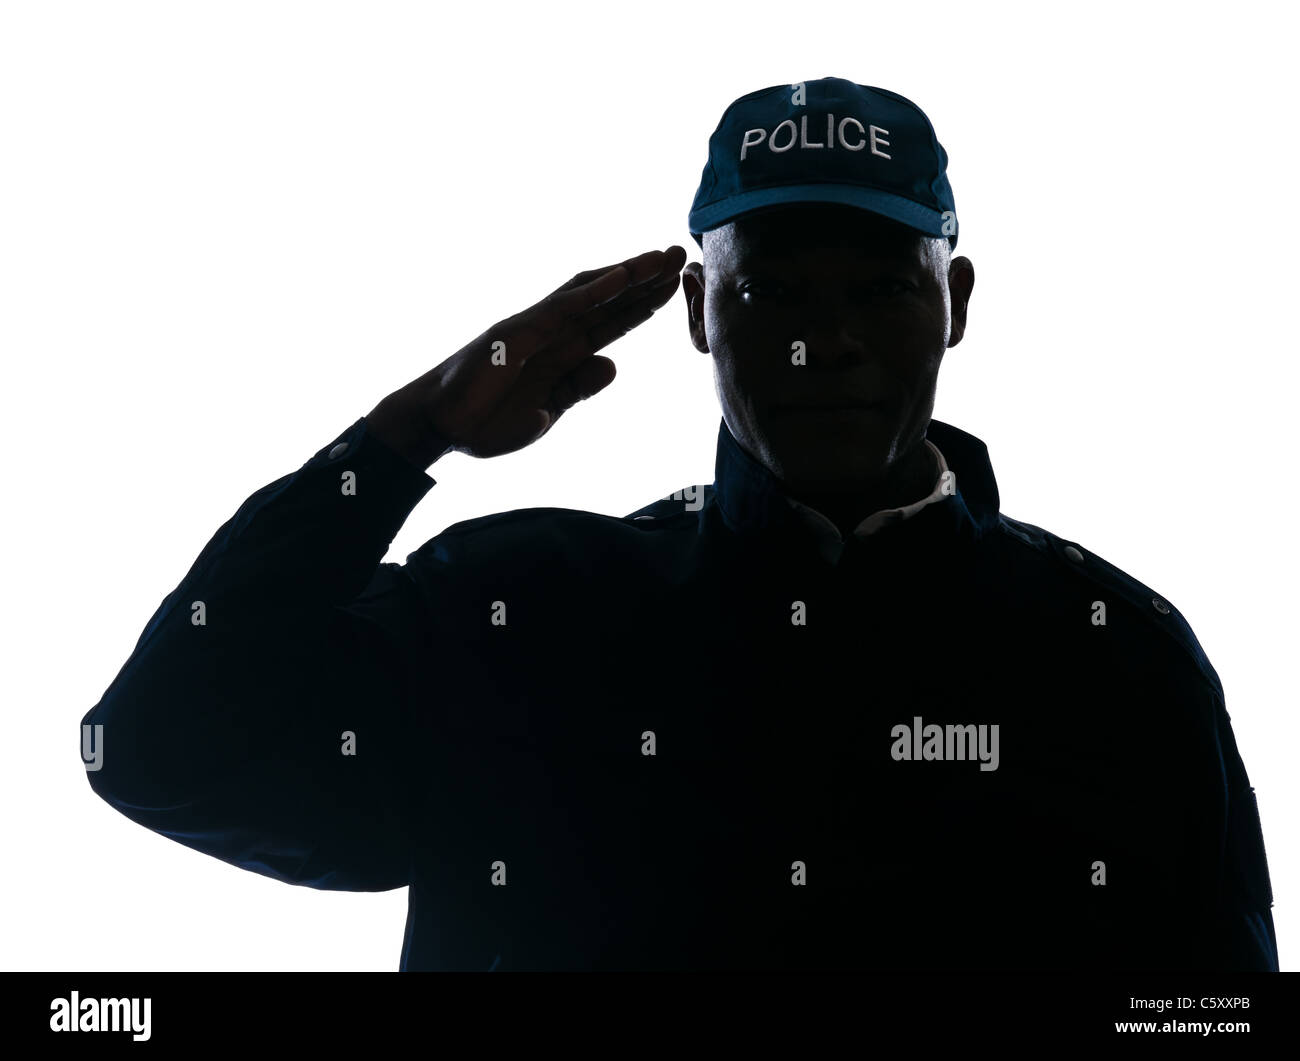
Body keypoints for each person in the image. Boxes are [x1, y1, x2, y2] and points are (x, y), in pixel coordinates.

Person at [81, 76, 1279, 971]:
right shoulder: (520, 608)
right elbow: (157, 748)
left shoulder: (1110, 649)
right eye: (770, 292)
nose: (827, 339)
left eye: (877, 287)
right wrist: (403, 437)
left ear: (953, 303)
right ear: (698, 309)